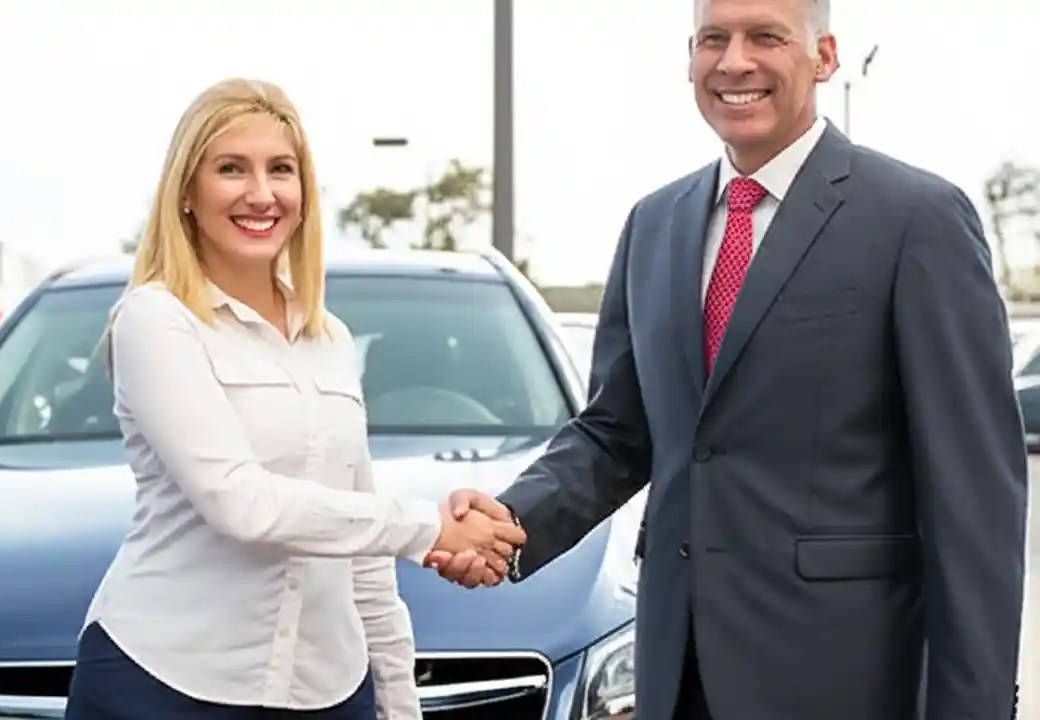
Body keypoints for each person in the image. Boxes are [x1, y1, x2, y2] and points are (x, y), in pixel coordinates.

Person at [426, 1, 1029, 718]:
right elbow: (617, 434)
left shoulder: (916, 219)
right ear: (690, 59)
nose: (734, 61)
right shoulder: (655, 224)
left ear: (825, 57)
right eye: (714, 39)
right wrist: (508, 521)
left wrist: (976, 706)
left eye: (765, 37)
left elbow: (974, 498)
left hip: (847, 678)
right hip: (676, 670)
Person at [63, 78, 525, 720]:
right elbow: (241, 503)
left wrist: (398, 703)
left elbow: (362, 556)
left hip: (329, 691)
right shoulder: (156, 319)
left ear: (304, 194)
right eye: (231, 169)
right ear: (187, 194)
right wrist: (431, 527)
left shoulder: (328, 337)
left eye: (281, 170)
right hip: (166, 684)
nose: (261, 193)